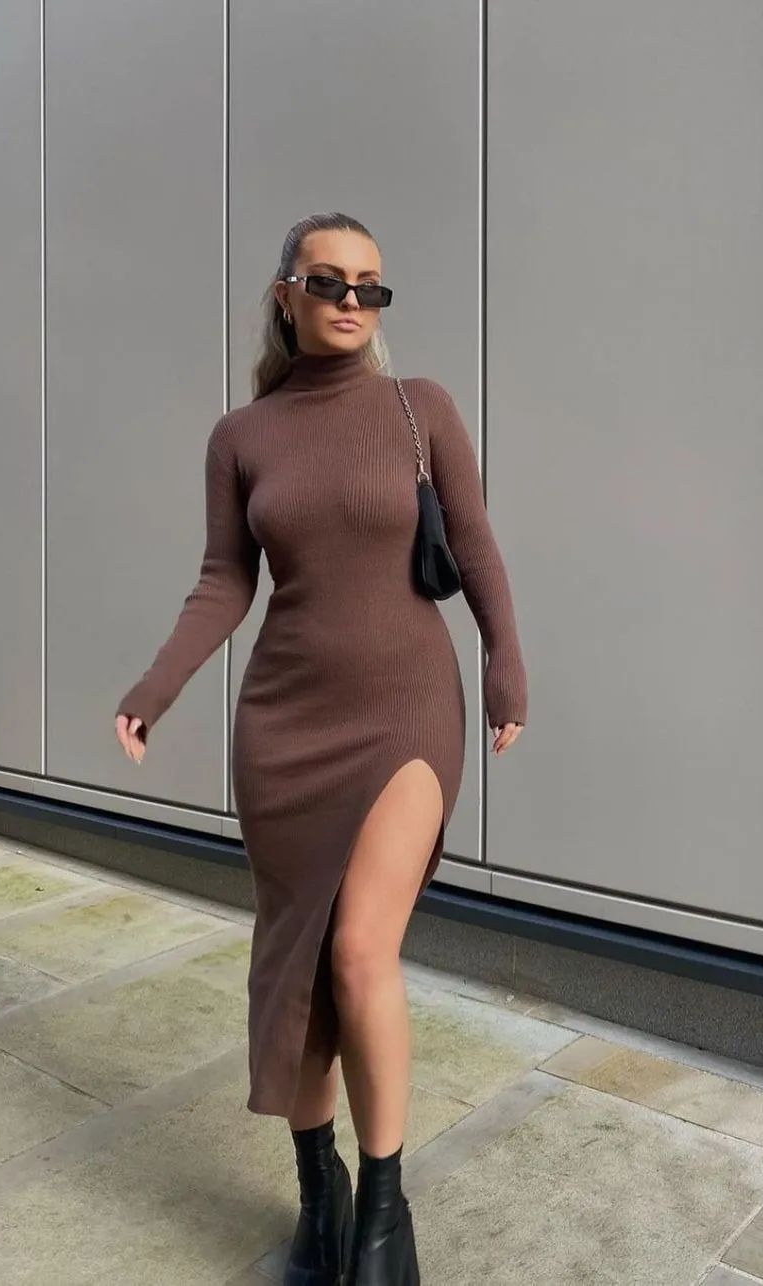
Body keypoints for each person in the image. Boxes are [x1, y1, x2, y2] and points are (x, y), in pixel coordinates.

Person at [113, 211, 527, 1286]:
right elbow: (224, 581)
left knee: (357, 954)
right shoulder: (241, 437)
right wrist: (157, 687)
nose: (352, 300)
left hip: (405, 713)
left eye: (370, 285)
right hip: (285, 726)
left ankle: (384, 1213)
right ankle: (319, 1193)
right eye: (330, 281)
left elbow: (476, 544)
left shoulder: (421, 407)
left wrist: (504, 661)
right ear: (286, 294)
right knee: (296, 966)